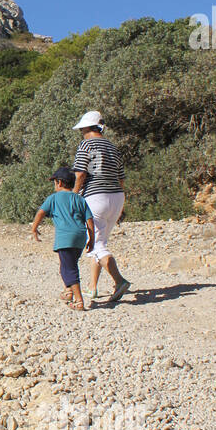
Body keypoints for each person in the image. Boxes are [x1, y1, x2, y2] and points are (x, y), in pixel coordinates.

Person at [71, 111, 131, 304]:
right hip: (117, 196)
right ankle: (93, 287)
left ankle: (119, 281)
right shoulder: (113, 147)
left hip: (95, 196)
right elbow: (121, 178)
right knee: (100, 242)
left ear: (88, 128)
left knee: (96, 244)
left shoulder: (86, 144)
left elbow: (81, 174)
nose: (81, 132)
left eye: (82, 129)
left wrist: (73, 196)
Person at [30, 167, 95, 310]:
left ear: (59, 182)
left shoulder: (53, 198)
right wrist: (92, 239)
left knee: (69, 268)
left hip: (65, 238)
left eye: (54, 182)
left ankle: (79, 301)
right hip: (80, 237)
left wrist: (34, 229)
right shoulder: (79, 199)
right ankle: (68, 291)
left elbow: (40, 213)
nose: (54, 185)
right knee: (68, 265)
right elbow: (89, 220)